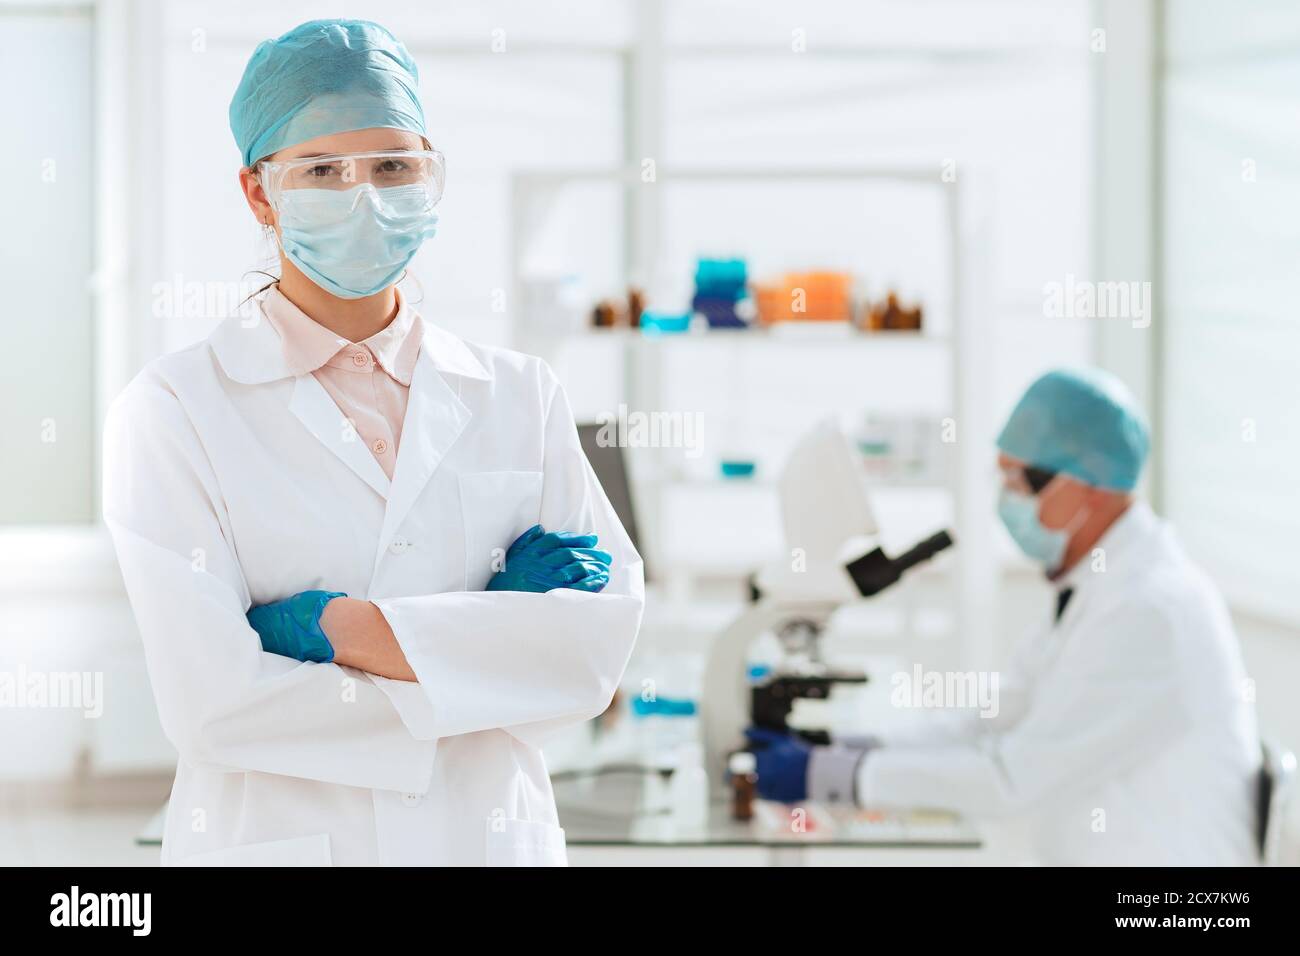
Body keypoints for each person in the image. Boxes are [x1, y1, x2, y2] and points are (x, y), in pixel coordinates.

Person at [102, 19, 643, 866]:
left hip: (486, 837)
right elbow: (213, 703)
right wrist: (489, 648)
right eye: (321, 170)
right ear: (258, 194)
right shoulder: (175, 408)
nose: (364, 195)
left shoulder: (519, 394)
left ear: (431, 176)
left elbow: (588, 663)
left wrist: (333, 630)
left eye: (393, 166)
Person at [747, 368, 1261, 865]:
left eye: (1023, 480)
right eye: (1004, 475)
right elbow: (992, 720)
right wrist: (850, 747)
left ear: (1095, 486)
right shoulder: (1095, 586)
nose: (1006, 498)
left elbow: (1012, 779)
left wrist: (837, 776)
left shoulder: (1149, 610)